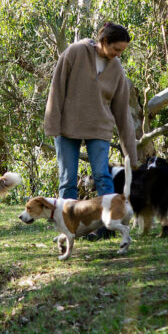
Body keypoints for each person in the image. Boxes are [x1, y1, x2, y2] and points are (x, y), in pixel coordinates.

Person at [44, 22, 138, 206]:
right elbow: (56, 89)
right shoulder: (75, 52)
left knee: (102, 176)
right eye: (116, 49)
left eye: (122, 51)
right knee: (67, 180)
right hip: (67, 127)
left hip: (99, 128)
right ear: (104, 41)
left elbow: (122, 112)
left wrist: (131, 155)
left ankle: (107, 224)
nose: (118, 55)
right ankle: (69, 227)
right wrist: (52, 125)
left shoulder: (117, 68)